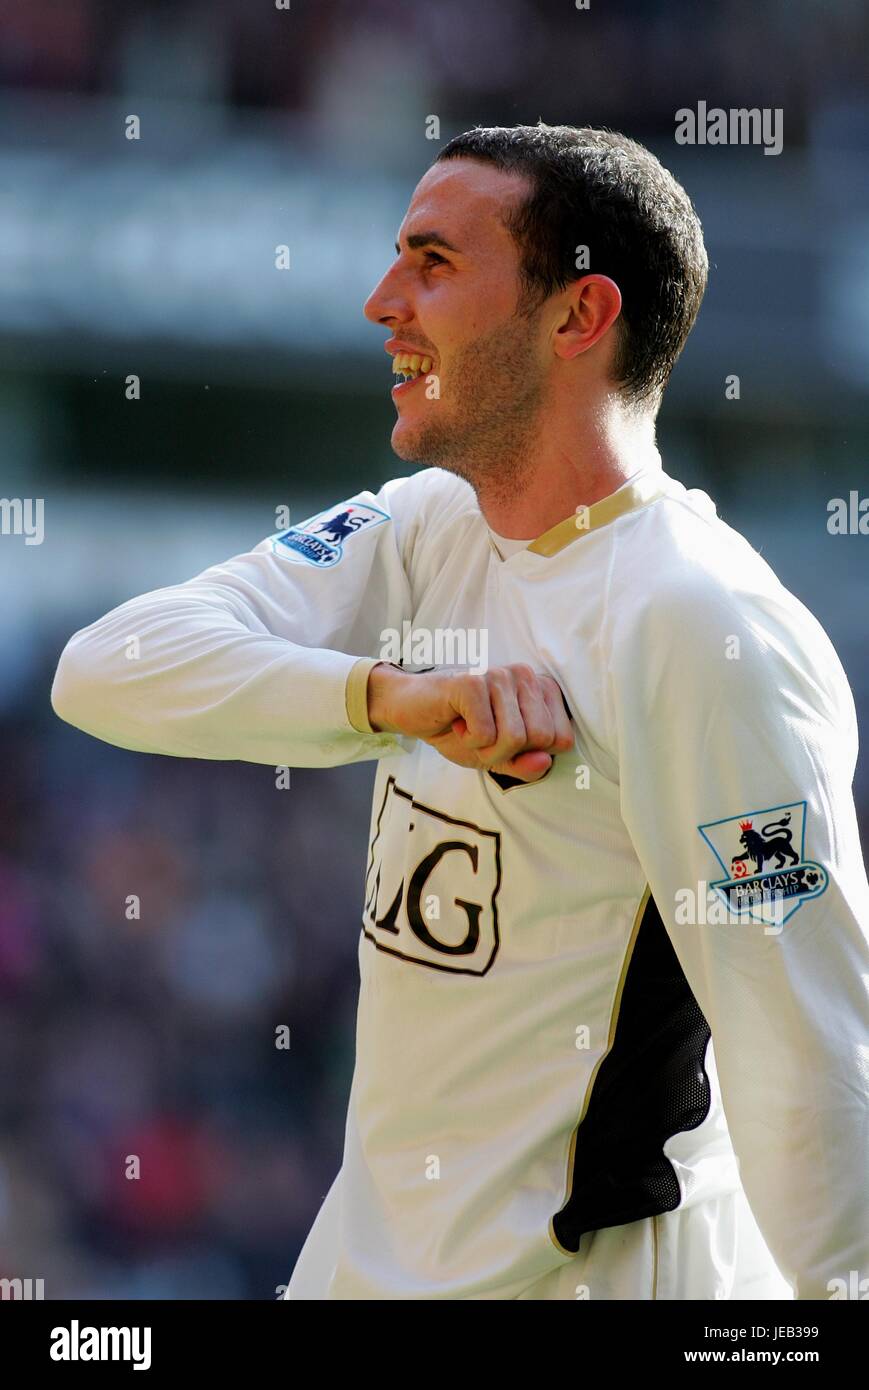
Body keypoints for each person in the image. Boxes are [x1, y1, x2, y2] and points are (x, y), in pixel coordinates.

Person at [51, 124, 869, 1301]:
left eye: (432, 263)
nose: (383, 302)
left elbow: (807, 1043)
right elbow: (107, 665)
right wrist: (392, 700)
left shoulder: (699, 626)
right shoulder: (428, 524)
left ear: (576, 315)